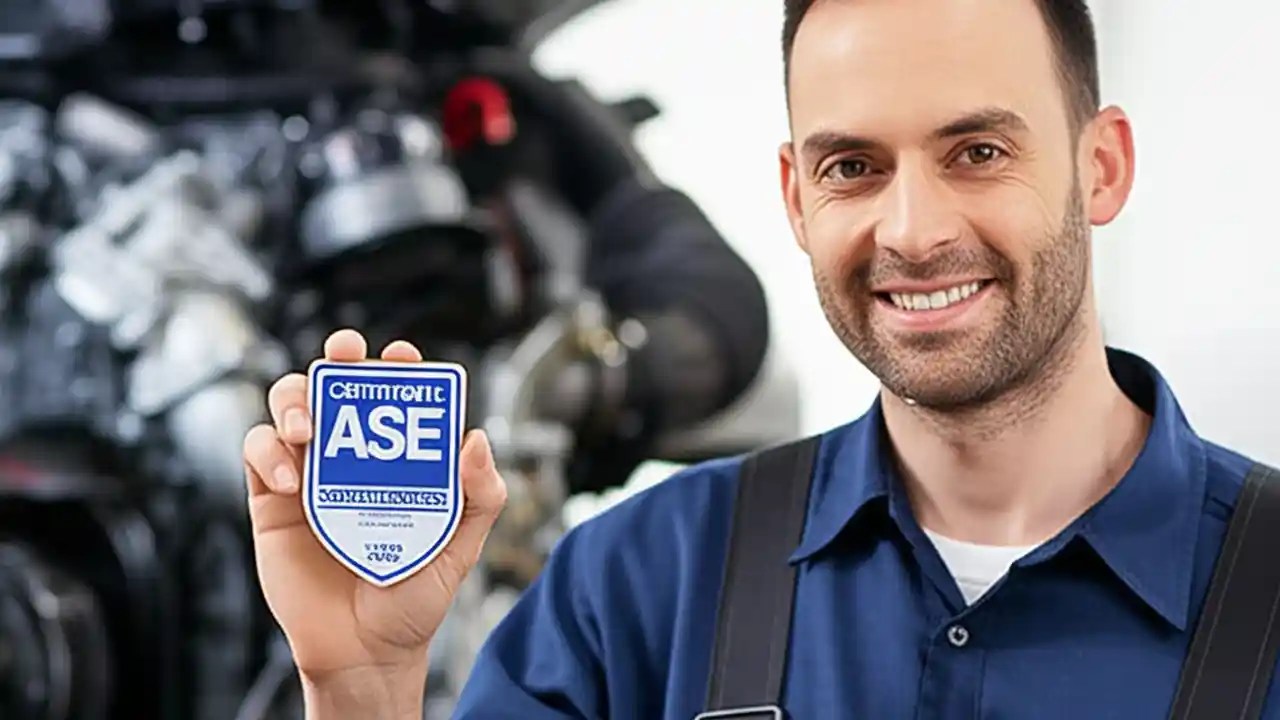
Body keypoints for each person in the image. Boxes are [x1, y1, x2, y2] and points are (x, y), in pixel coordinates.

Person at [241, 0, 1279, 717]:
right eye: (852, 167)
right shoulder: (635, 592)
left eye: (976, 152)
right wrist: (365, 691)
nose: (910, 230)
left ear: (1099, 169)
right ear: (794, 197)